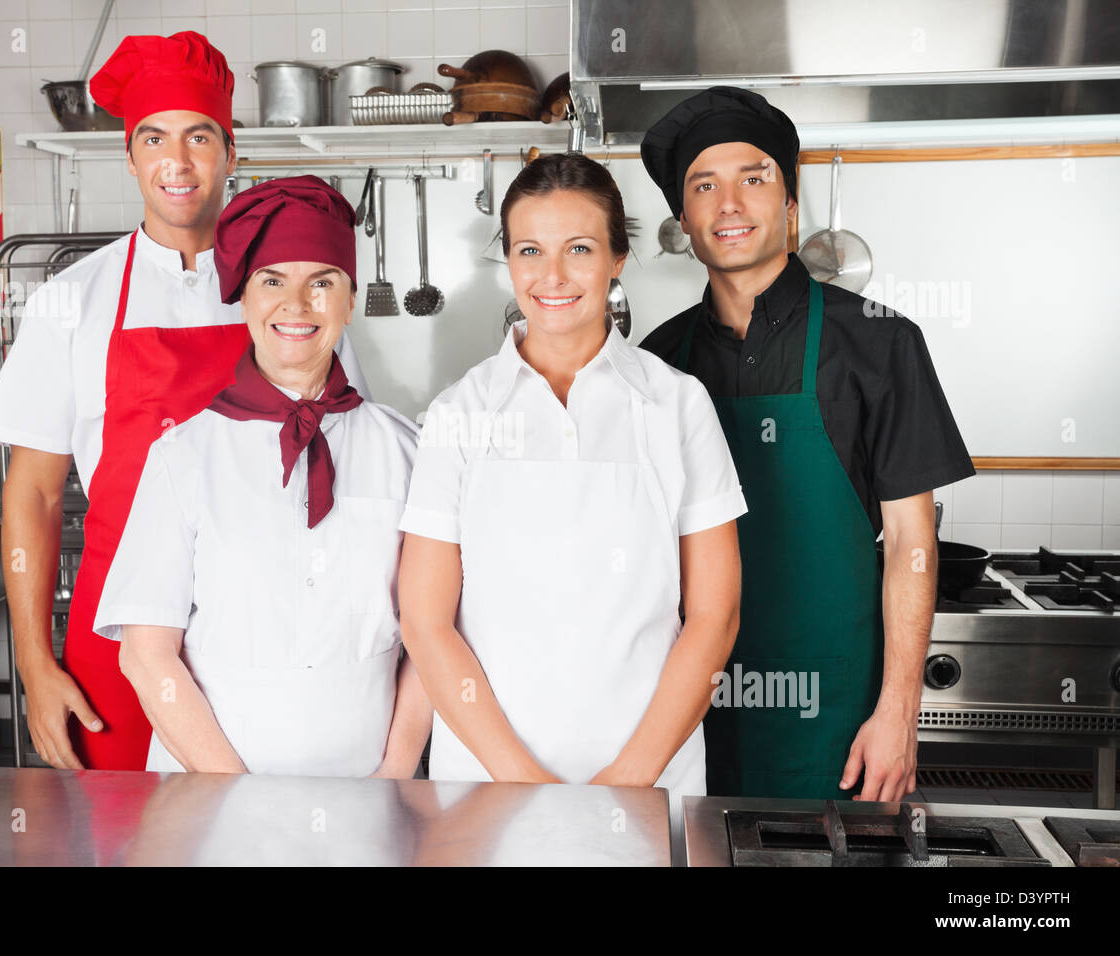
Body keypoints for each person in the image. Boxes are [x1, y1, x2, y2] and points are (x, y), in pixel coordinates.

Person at [0, 32, 370, 771]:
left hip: (258, 635)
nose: (176, 163)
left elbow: (344, 460)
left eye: (198, 137)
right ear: (128, 155)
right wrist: (35, 663)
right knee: (117, 842)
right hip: (113, 639)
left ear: (230, 147)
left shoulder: (292, 301)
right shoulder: (73, 299)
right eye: (153, 138)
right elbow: (31, 493)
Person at [639, 87, 976, 802]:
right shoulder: (654, 362)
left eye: (753, 178)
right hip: (686, 717)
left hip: (840, 720)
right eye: (705, 186)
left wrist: (899, 714)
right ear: (685, 224)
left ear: (791, 211)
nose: (729, 203)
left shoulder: (882, 341)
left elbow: (913, 541)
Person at [398, 153, 745, 842]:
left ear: (618, 257)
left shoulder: (677, 404)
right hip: (486, 790)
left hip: (651, 790)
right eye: (530, 250)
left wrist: (627, 783)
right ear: (508, 260)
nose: (551, 277)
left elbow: (716, 613)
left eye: (579, 249)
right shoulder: (459, 412)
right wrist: (528, 787)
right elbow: (426, 622)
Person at [93, 176, 430, 779]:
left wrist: (395, 776)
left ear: (349, 300)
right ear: (243, 298)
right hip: (207, 796)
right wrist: (237, 797)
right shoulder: (183, 456)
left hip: (367, 797)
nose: (296, 306)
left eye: (321, 282)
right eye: (272, 281)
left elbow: (433, 640)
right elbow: (148, 658)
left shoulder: (407, 450)